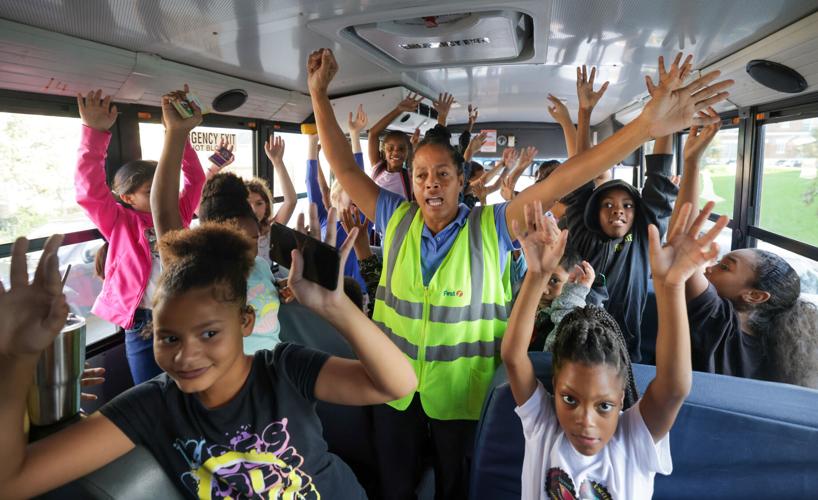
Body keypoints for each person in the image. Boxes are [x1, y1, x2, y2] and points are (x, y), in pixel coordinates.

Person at [307, 47, 732, 498]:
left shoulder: (491, 226)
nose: (431, 182)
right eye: (422, 175)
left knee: (455, 488)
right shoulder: (394, 218)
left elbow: (563, 180)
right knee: (393, 487)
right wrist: (319, 94)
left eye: (444, 174)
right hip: (393, 388)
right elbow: (345, 166)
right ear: (411, 184)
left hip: (464, 399)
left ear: (460, 179)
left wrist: (645, 128)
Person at [0, 218, 417, 499]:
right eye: (168, 337)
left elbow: (396, 384)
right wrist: (17, 357)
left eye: (209, 333)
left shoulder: (284, 369)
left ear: (246, 323)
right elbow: (12, 480)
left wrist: (337, 309)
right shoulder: (154, 406)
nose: (185, 355)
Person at [501, 200, 729, 498]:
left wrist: (671, 286)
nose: (585, 420)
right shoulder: (544, 427)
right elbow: (513, 357)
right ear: (555, 388)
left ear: (621, 399)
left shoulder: (632, 440)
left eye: (604, 406)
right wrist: (536, 275)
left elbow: (674, 387)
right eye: (569, 399)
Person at [560, 56, 700, 362]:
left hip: (627, 348)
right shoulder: (583, 235)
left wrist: (665, 124)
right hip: (576, 344)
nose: (617, 211)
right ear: (594, 212)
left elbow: (659, 177)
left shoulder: (642, 237)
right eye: (607, 205)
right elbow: (580, 173)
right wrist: (584, 114)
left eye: (626, 205)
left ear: (637, 214)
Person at [673, 121, 818, 388]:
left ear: (754, 296)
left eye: (725, 267)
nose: (708, 268)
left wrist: (692, 163)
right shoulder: (771, 349)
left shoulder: (717, 320)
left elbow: (679, 243)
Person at [74, 89, 205, 384]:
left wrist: (177, 135)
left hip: (180, 310)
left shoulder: (178, 212)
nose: (164, 195)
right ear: (127, 197)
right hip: (143, 318)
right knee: (149, 391)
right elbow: (88, 192)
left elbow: (195, 179)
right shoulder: (119, 221)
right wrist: (94, 133)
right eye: (151, 191)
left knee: (189, 384)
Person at [150, 87, 280, 354]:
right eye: (239, 241)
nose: (249, 249)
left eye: (254, 238)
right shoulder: (197, 274)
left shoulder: (260, 266)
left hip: (271, 373)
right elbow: (163, 210)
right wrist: (176, 133)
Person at [247, 134, 297, 264]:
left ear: (267, 206)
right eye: (248, 203)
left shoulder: (270, 229)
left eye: (259, 203)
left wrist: (278, 162)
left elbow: (291, 201)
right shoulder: (232, 232)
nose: (254, 209)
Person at [367, 93, 423, 200]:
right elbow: (373, 133)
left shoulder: (410, 178)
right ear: (384, 150)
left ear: (407, 152)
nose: (396, 152)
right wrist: (399, 110)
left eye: (401, 149)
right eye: (390, 148)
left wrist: (415, 148)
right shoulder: (377, 168)